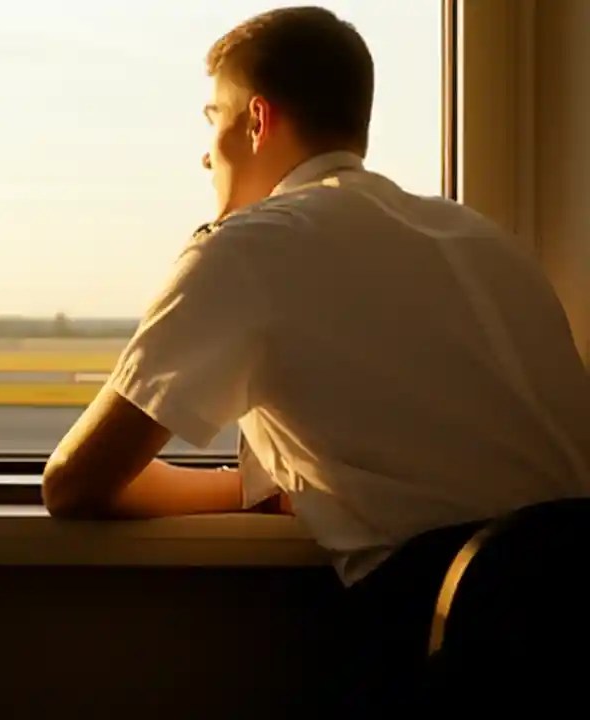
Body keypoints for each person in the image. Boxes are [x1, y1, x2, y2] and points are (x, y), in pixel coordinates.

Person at [41, 4, 590, 711]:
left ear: (257, 121)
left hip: (451, 641)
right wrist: (273, 494)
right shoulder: (483, 241)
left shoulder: (249, 248)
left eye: (213, 118)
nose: (206, 154)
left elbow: (74, 483)